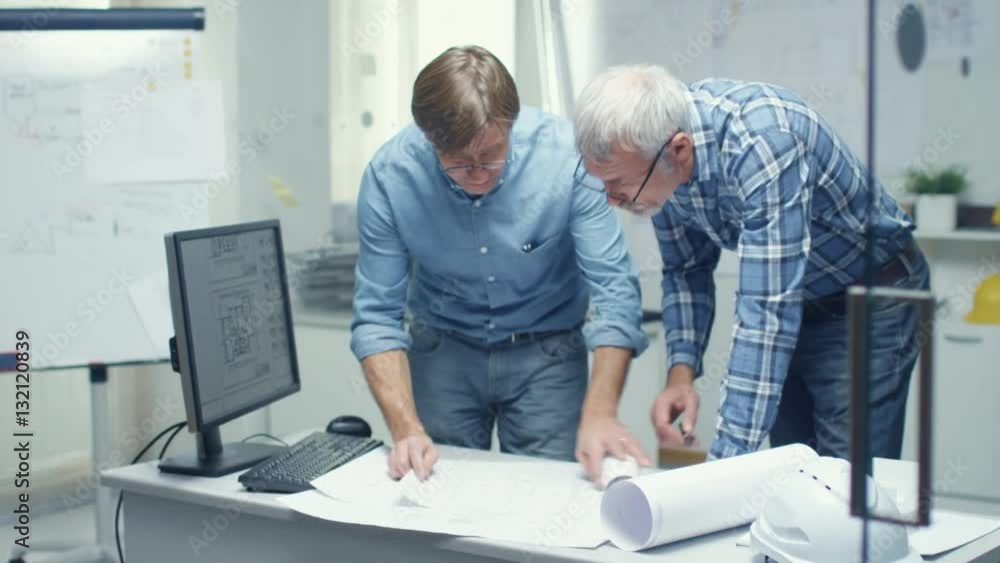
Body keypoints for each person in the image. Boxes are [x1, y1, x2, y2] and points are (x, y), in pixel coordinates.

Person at [572, 64, 930, 461]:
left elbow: (766, 314)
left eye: (620, 184)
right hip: (801, 303)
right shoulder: (656, 158)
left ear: (679, 151)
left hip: (871, 299)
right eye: (602, 183)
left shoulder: (764, 142)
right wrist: (681, 374)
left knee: (844, 479)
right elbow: (686, 270)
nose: (611, 199)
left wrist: (721, 468)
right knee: (792, 465)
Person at [350, 46, 651, 482]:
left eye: (492, 154)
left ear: (511, 124)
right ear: (429, 139)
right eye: (459, 162)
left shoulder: (567, 158)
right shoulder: (390, 176)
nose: (479, 174)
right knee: (436, 491)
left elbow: (615, 292)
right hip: (443, 352)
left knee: (548, 493)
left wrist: (602, 412)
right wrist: (406, 430)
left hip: (548, 354)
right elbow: (377, 317)